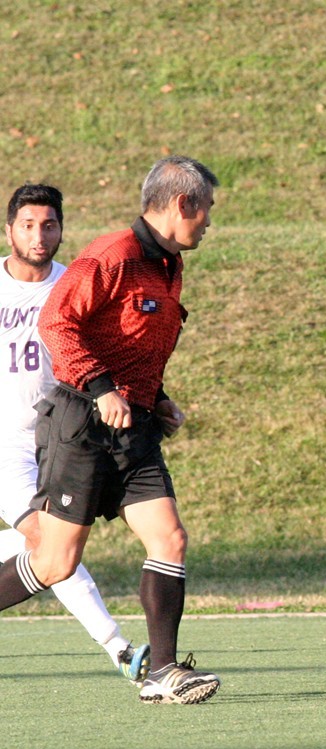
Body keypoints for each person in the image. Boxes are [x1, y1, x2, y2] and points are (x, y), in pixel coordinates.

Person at [0, 156, 222, 704]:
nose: (209, 221)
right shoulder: (111, 255)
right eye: (207, 209)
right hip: (81, 424)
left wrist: (158, 398)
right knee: (55, 562)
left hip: (134, 429)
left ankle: (162, 672)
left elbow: (138, 342)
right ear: (183, 204)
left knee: (170, 538)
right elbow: (56, 322)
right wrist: (101, 388)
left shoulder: (169, 265)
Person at [0, 183, 147, 682]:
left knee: (57, 549)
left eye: (49, 225)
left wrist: (156, 401)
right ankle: (119, 648)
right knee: (47, 542)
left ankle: (120, 649)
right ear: (10, 230)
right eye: (28, 225)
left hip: (57, 438)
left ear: (61, 230)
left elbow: (108, 354)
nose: (39, 235)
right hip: (5, 445)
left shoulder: (74, 286)